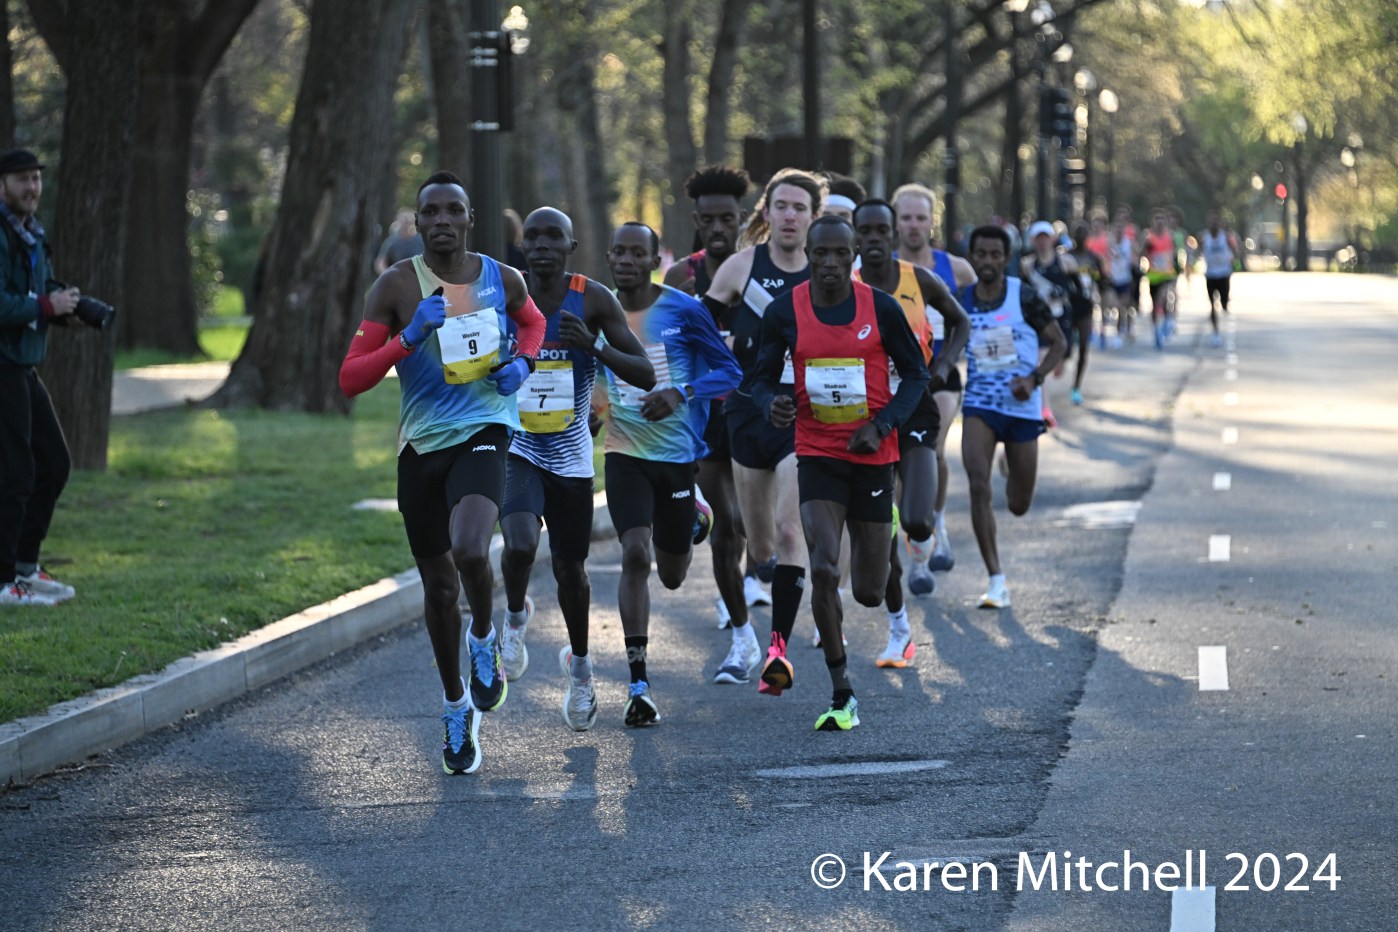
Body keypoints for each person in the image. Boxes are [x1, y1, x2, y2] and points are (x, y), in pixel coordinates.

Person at [339, 171, 546, 775]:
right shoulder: (397, 286)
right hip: (421, 445)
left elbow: (531, 323)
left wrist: (524, 365)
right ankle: (457, 705)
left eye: (453, 210)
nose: (442, 221)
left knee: (471, 550)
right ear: (419, 223)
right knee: (437, 590)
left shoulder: (500, 277)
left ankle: (484, 637)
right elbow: (352, 378)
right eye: (431, 212)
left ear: (470, 218)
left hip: (485, 429)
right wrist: (409, 336)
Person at [748, 216, 931, 729]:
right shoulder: (785, 312)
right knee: (824, 568)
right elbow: (758, 380)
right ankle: (841, 691)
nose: (829, 264)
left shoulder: (882, 308)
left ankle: (885, 532)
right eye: (820, 254)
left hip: (873, 454)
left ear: (854, 257)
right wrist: (772, 405)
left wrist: (883, 423)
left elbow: (917, 375)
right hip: (818, 452)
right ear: (807, 253)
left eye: (839, 255)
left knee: (870, 590)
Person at [498, 207, 654, 732]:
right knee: (519, 544)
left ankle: (582, 672)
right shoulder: (505, 291)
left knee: (570, 569)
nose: (541, 244)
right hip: (518, 447)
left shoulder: (592, 299)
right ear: (523, 244)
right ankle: (516, 616)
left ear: (572, 245)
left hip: (569, 457)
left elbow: (646, 373)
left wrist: (595, 345)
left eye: (553, 236)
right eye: (533, 236)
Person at [601, 222, 743, 722]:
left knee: (674, 575)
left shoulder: (685, 310)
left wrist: (679, 393)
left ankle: (694, 515)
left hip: (679, 457)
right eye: (617, 252)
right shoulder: (601, 310)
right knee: (635, 555)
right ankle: (638, 682)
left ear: (655, 259)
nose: (625, 261)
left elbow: (729, 371)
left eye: (636, 253)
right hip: (624, 454)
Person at [703, 167, 825, 696]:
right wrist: (723, 352)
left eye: (801, 207)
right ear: (767, 213)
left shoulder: (830, 270)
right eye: (782, 206)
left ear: (815, 217)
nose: (791, 216)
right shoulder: (740, 268)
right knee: (760, 547)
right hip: (749, 415)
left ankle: (777, 650)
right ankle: (753, 632)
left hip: (805, 415)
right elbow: (697, 331)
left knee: (791, 528)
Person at [851, 199, 969, 666]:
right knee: (880, 538)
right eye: (869, 230)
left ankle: (917, 531)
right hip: (864, 417)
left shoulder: (917, 279)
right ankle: (899, 627)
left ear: (894, 234)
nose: (877, 238)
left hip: (915, 408)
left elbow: (959, 320)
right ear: (857, 235)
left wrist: (943, 362)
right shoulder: (846, 283)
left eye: (885, 230)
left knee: (917, 520)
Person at [662, 164, 757, 636]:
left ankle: (750, 582)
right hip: (704, 415)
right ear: (696, 221)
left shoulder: (760, 270)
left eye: (727, 219)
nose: (718, 228)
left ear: (742, 218)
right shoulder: (682, 276)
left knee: (749, 527)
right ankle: (732, 605)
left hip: (755, 410)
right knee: (727, 523)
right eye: (708, 220)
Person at [958, 225, 1066, 609]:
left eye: (995, 255)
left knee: (1018, 504)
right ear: (972, 256)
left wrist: (1034, 379)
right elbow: (944, 344)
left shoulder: (1023, 296)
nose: (987, 261)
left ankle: (1009, 462)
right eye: (981, 254)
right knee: (977, 486)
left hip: (1022, 407)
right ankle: (995, 577)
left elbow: (1058, 342)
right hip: (980, 406)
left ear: (1006, 259)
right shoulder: (961, 300)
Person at [0, 149, 79, 607]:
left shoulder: (31, 235)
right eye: (21, 179)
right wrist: (46, 307)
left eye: (35, 179)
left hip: (21, 363)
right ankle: (3, 580)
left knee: (53, 463)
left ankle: (25, 568)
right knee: (16, 471)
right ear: (2, 186)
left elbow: (36, 290)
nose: (31, 187)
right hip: (2, 365)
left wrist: (67, 304)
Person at [890, 182, 975, 579]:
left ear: (932, 221)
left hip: (940, 374)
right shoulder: (880, 268)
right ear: (894, 222)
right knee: (895, 462)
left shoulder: (955, 268)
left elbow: (975, 317)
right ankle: (910, 538)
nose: (912, 225)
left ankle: (934, 524)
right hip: (892, 379)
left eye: (920, 217)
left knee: (933, 447)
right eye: (905, 217)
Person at [1022, 220, 1091, 408]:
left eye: (1046, 237)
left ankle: (1059, 361)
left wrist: (1063, 292)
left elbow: (1079, 289)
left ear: (1053, 239)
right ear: (1033, 241)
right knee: (1042, 359)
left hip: (1063, 316)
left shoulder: (1065, 261)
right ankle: (1045, 409)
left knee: (1062, 356)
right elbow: (1023, 291)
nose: (1042, 242)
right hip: (1041, 319)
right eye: (1039, 238)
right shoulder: (1027, 265)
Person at [1138, 210, 1180, 349]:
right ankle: (1156, 329)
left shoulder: (1170, 236)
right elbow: (1141, 253)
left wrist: (1177, 267)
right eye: (1157, 219)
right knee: (1155, 304)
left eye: (1162, 219)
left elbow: (1175, 253)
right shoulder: (1148, 237)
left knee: (1165, 297)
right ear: (1153, 222)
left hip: (1167, 274)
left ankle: (1168, 320)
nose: (1160, 222)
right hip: (1154, 275)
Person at [1200, 212, 1237, 347]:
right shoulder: (1205, 238)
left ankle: (1225, 302)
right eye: (1212, 222)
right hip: (1210, 275)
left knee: (1224, 304)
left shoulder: (1225, 237)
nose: (1214, 225)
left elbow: (1235, 250)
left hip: (1224, 274)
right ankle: (1215, 332)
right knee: (1212, 305)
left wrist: (1233, 260)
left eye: (1216, 222)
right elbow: (1199, 251)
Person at [374, 210, 424, 275]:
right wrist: (387, 274)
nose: (406, 224)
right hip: (398, 278)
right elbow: (380, 262)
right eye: (404, 221)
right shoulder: (392, 241)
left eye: (409, 221)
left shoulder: (421, 240)